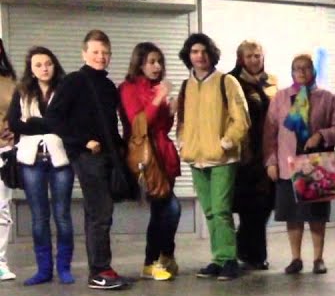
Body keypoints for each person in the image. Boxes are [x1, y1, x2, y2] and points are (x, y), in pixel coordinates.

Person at [42, 30, 128, 290]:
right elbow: (53, 118)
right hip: (87, 157)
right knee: (100, 212)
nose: (101, 57)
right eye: (95, 52)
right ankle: (99, 271)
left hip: (108, 157)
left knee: (99, 212)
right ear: (84, 54)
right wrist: (82, 142)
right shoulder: (74, 82)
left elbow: (110, 124)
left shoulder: (108, 85)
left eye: (105, 52)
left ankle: (102, 267)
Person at [175, 33, 250, 282]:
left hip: (222, 159)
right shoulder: (187, 86)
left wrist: (226, 142)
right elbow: (183, 121)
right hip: (196, 158)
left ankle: (229, 258)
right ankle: (218, 259)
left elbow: (242, 118)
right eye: (195, 51)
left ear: (211, 54)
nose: (200, 56)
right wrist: (183, 142)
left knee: (221, 210)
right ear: (189, 55)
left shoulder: (226, 82)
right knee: (209, 210)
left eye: (203, 51)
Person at [264, 53, 335, 274]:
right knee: (292, 215)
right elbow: (270, 133)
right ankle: (296, 258)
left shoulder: (327, 98)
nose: (301, 72)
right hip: (287, 163)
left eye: (306, 68)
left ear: (314, 71)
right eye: (296, 68)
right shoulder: (280, 98)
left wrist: (322, 135)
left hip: (315, 164)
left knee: (316, 215)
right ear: (291, 72)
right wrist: (271, 162)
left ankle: (318, 259)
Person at [7, 48, 73, 285]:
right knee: (39, 217)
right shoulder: (22, 92)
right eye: (38, 65)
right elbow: (15, 124)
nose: (44, 68)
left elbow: (67, 125)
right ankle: (44, 269)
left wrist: (34, 122)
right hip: (32, 160)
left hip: (61, 159)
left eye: (48, 64)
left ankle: (64, 268)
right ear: (31, 70)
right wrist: (48, 125)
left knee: (63, 215)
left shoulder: (65, 90)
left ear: (54, 66)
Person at [119, 42, 181, 281]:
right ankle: (156, 259)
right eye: (151, 62)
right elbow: (139, 124)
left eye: (159, 61)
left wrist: (171, 110)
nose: (157, 66)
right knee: (171, 208)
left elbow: (163, 127)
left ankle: (159, 259)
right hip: (146, 157)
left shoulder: (158, 88)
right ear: (140, 64)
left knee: (161, 212)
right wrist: (158, 100)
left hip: (165, 154)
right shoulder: (128, 88)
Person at [229, 40, 277, 270]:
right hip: (245, 154)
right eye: (249, 56)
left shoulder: (272, 82)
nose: (254, 60)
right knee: (249, 205)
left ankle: (247, 248)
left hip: (268, 151)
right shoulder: (232, 82)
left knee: (266, 204)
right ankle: (253, 254)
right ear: (241, 59)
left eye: (257, 55)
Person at [0, 39, 16, 281]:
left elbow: (19, 113)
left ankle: (0, 262)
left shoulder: (10, 83)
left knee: (2, 209)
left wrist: (15, 130)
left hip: (3, 148)